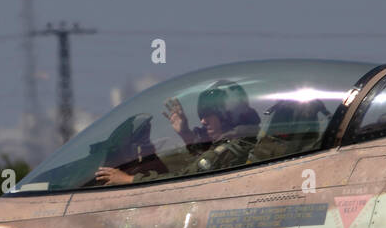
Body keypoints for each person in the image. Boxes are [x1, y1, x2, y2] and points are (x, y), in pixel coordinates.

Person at [94, 79, 262, 186]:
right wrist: (186, 134)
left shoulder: (230, 149)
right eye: (201, 116)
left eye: (209, 115)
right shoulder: (243, 140)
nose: (202, 121)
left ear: (228, 116)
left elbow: (181, 180)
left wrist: (129, 180)